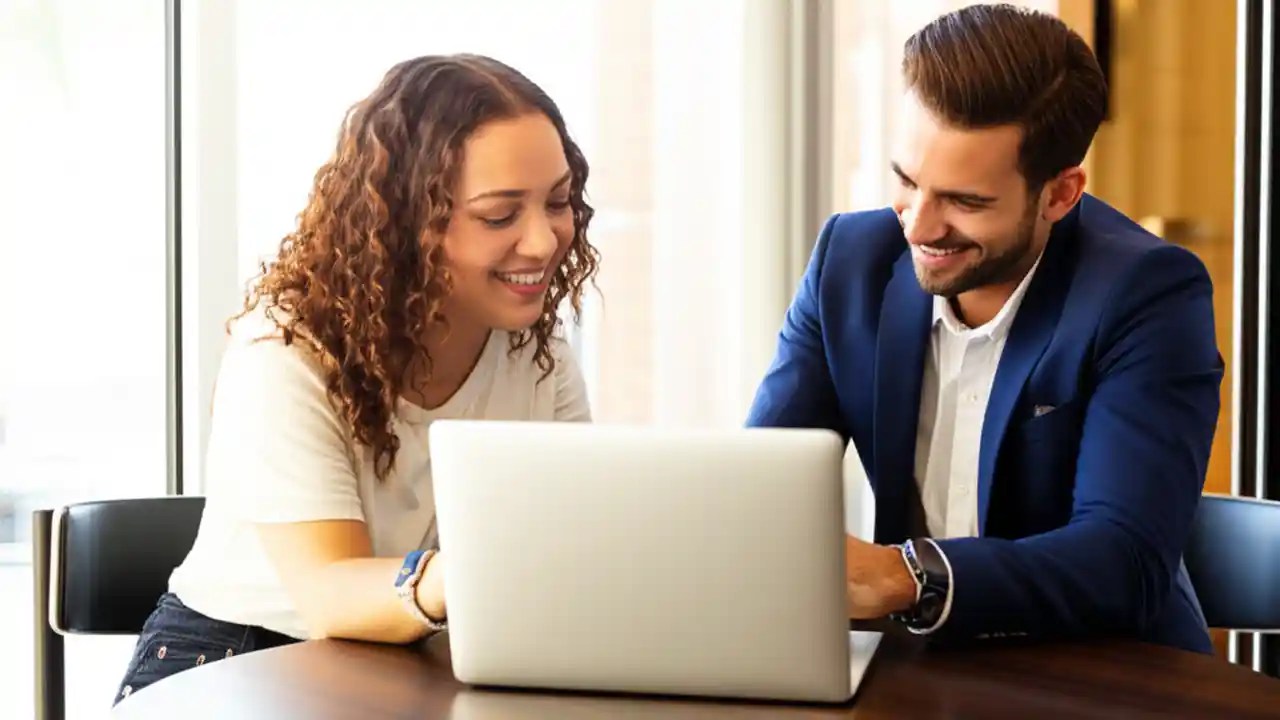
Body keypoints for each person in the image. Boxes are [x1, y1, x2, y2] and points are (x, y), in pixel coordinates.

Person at [115, 53, 599, 703]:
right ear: (406, 220)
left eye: (559, 201)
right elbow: (329, 591)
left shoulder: (537, 352)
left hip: (420, 661)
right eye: (499, 215)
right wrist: (469, 576)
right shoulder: (284, 349)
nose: (544, 241)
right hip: (235, 663)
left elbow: (567, 539)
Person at [747, 3, 1221, 654]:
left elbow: (1123, 562)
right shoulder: (849, 261)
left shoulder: (1148, 293)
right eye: (908, 183)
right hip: (917, 672)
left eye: (965, 202)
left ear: (1060, 194)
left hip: (1108, 677)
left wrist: (907, 576)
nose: (917, 227)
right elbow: (761, 488)